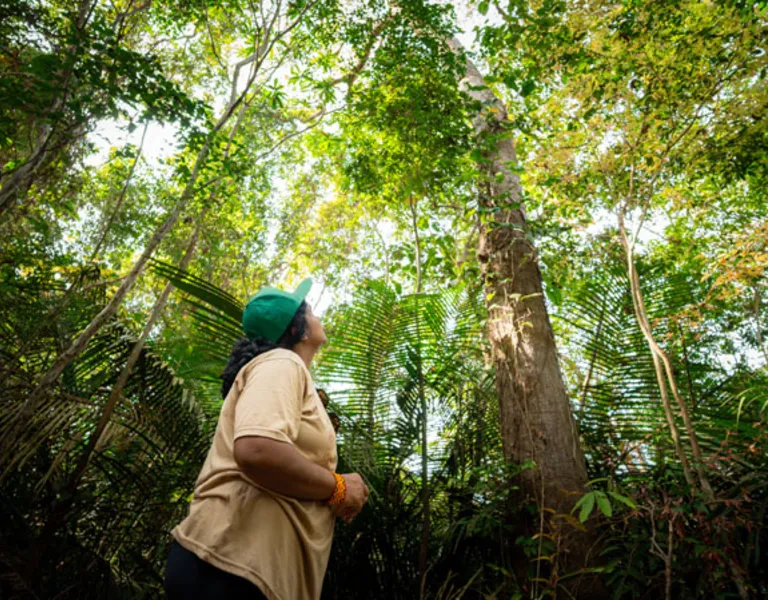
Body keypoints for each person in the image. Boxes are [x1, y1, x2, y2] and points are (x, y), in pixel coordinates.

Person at [164, 278, 370, 600]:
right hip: (232, 566)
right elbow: (257, 450)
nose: (318, 316)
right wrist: (338, 486)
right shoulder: (282, 363)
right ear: (300, 331)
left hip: (240, 568)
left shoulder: (282, 372)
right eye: (311, 311)